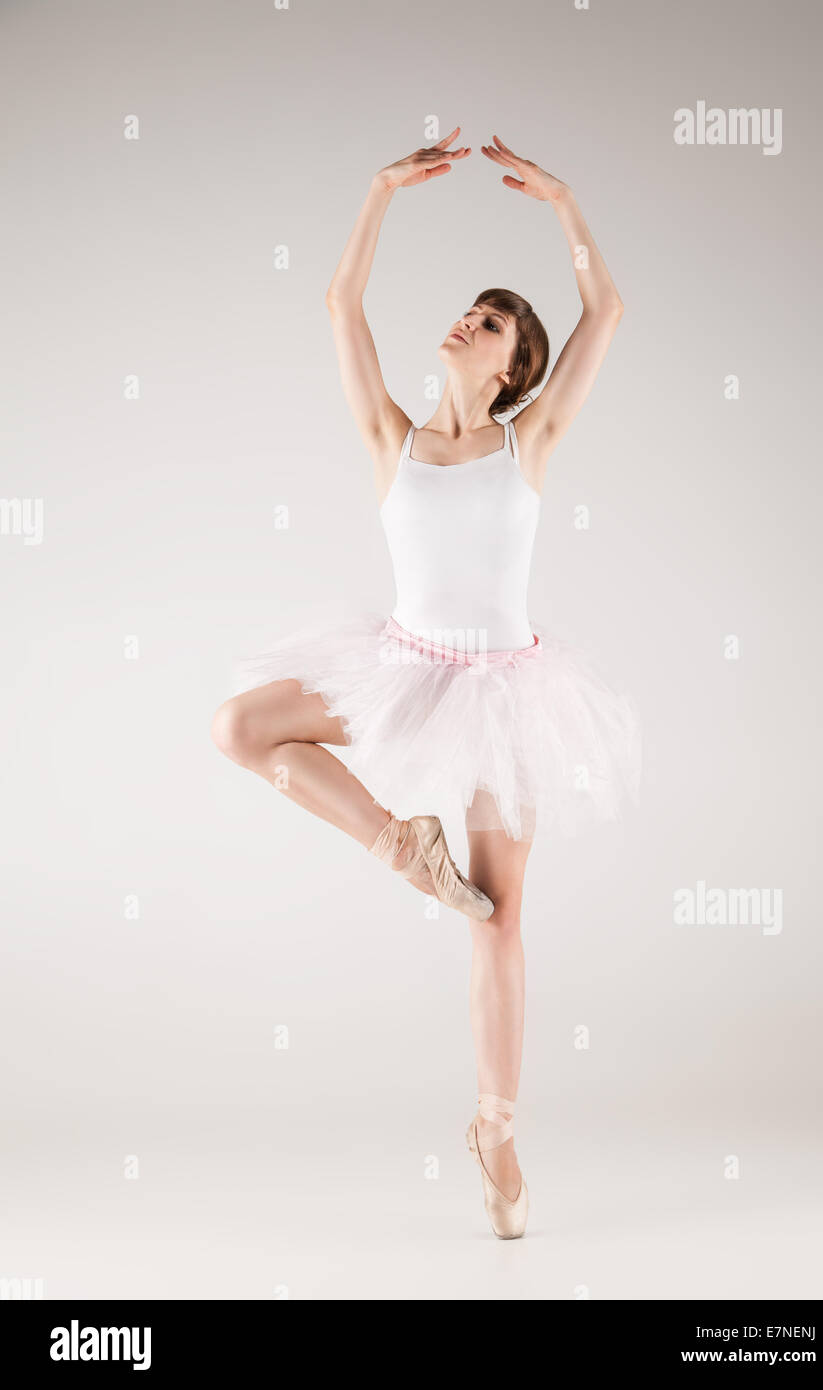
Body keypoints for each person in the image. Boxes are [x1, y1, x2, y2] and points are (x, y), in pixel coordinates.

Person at [211, 129, 640, 1239]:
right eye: (468, 308)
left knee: (495, 919)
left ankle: (496, 1133)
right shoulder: (389, 440)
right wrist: (376, 191)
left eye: (489, 322)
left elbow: (609, 313)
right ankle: (398, 842)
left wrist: (560, 199)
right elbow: (339, 304)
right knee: (242, 725)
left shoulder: (528, 440)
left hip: (504, 692)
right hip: (399, 664)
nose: (466, 320)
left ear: (510, 370)